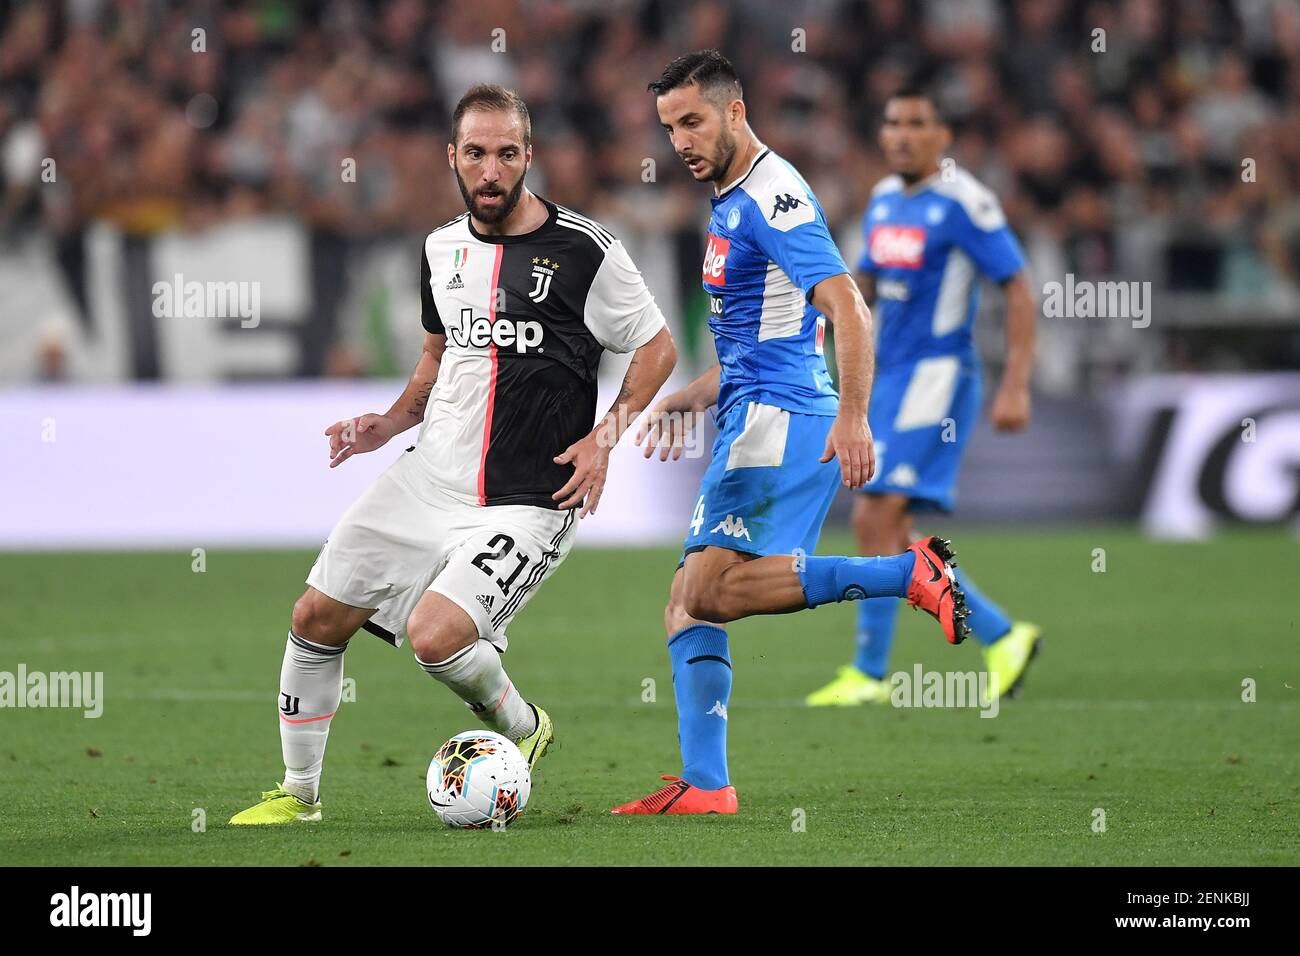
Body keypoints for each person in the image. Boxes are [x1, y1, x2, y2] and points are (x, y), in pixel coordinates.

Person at [231, 84, 677, 824]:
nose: (491, 170)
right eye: (476, 153)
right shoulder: (441, 249)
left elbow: (657, 347)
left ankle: (527, 728)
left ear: (529, 156)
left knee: (435, 638)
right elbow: (439, 356)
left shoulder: (586, 251)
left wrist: (608, 435)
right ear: (453, 158)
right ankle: (298, 796)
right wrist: (388, 423)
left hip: (533, 497)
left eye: (507, 153)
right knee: (314, 615)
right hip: (428, 478)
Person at [611, 52, 966, 817]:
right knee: (685, 602)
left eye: (693, 121)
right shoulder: (730, 197)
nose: (679, 140)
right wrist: (694, 396)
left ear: (735, 112)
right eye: (670, 126)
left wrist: (854, 415)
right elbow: (762, 339)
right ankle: (707, 785)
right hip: (753, 406)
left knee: (706, 591)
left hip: (781, 417)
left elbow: (847, 308)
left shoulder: (773, 197)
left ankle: (904, 576)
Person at [806, 87, 1041, 709]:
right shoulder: (883, 201)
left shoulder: (966, 201)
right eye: (892, 123)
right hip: (887, 376)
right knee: (890, 524)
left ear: (944, 136)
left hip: (938, 376)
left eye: (917, 123)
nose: (901, 134)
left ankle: (868, 671)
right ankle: (1003, 635)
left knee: (873, 517)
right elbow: (867, 290)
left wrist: (1016, 382)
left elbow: (1018, 289)